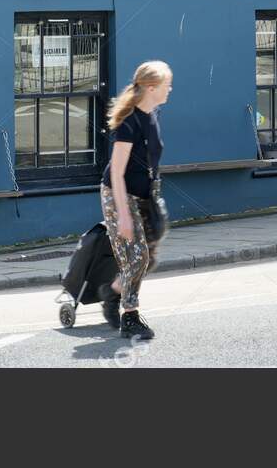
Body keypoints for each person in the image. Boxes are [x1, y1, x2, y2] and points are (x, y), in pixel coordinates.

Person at [101, 60, 172, 342]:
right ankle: (129, 317)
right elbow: (117, 172)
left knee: (148, 257)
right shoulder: (130, 122)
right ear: (152, 87)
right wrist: (125, 216)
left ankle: (112, 292)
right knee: (137, 256)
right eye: (167, 85)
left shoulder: (152, 113)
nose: (170, 90)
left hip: (144, 195)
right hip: (119, 194)